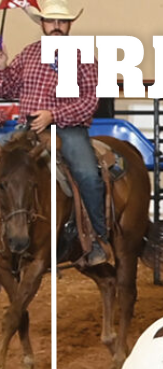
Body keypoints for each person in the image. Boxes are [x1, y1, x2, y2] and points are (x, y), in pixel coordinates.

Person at [0, 0, 107, 266]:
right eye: (51, 21)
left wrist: (53, 115)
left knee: (87, 175)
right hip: (28, 129)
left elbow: (90, 101)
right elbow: (7, 89)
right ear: (42, 24)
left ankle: (97, 238)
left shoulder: (83, 57)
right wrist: (2, 68)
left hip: (68, 129)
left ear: (69, 25)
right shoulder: (29, 54)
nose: (56, 26)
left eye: (62, 22)